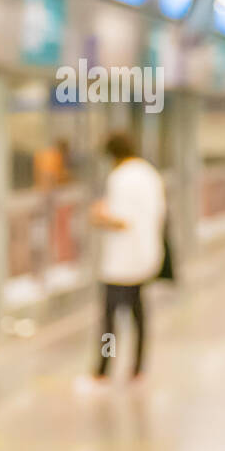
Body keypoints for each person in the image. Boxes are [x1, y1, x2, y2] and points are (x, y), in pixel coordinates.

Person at [77, 132, 166, 390]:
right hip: (146, 255)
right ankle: (138, 369)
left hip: (120, 263)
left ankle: (102, 372)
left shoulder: (120, 178)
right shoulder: (149, 173)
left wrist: (98, 215)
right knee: (139, 314)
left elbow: (121, 220)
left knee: (109, 319)